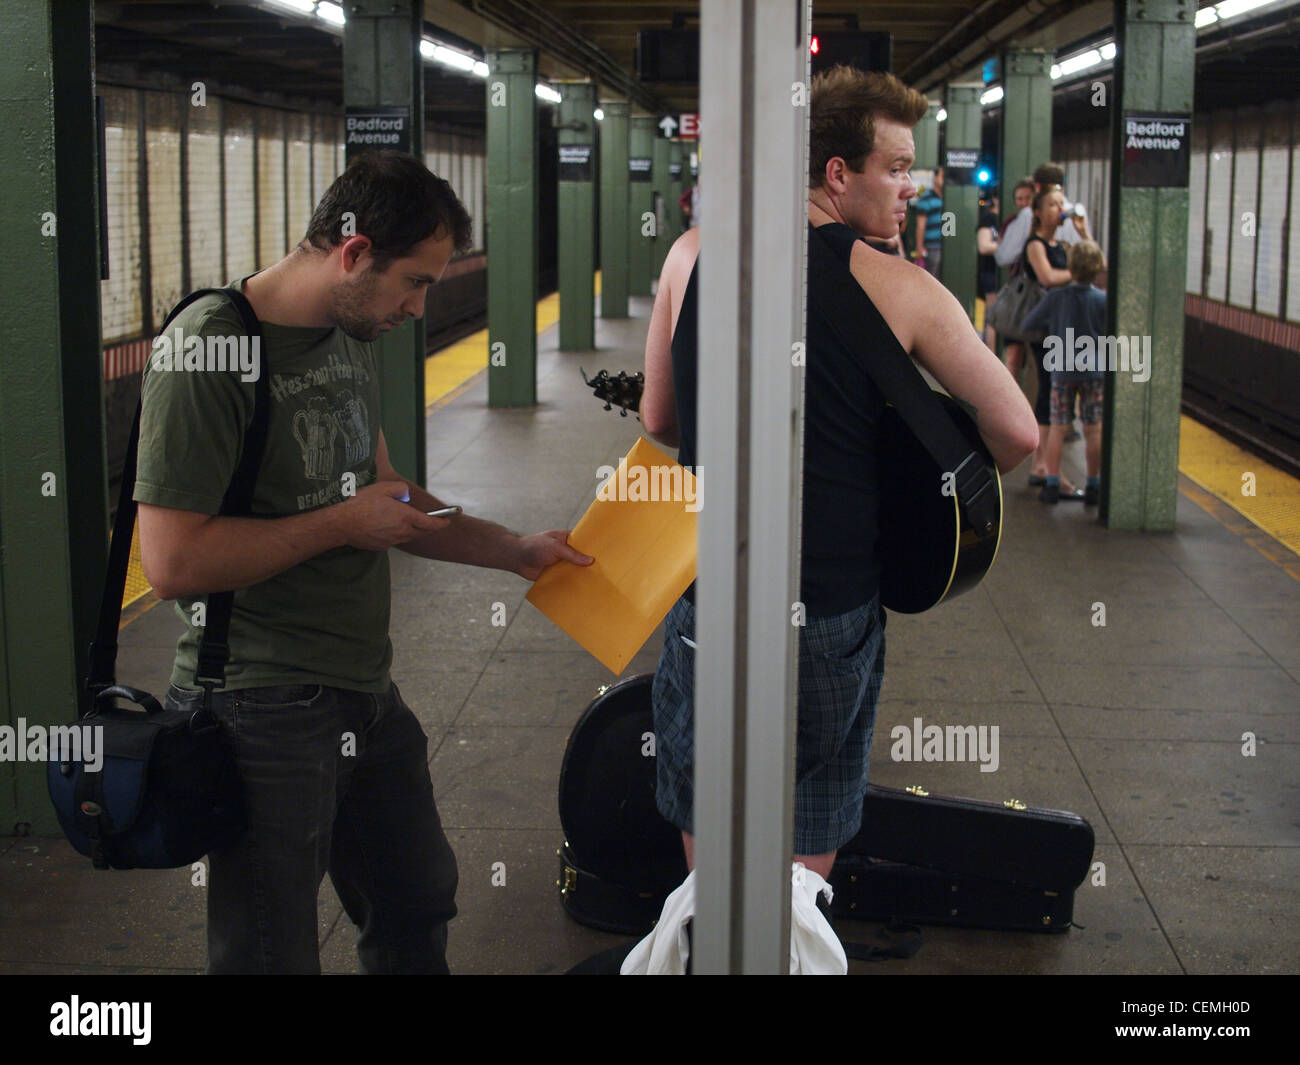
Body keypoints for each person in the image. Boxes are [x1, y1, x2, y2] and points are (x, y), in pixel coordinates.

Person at [135, 149, 593, 974]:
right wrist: (340, 522)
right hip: (257, 702)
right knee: (269, 948)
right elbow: (170, 560)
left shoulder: (348, 333)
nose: (420, 308)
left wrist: (513, 550)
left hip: (363, 688)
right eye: (415, 283)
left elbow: (388, 493)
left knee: (416, 895)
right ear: (352, 254)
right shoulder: (209, 349)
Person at [640, 66, 1037, 889]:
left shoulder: (690, 256)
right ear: (836, 174)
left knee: (709, 799)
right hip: (827, 605)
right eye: (895, 167)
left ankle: (713, 937)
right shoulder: (906, 289)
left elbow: (660, 421)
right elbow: (1017, 433)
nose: (910, 187)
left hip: (708, 592)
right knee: (811, 802)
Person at [1020, 240, 1108, 505]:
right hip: (1093, 372)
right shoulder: (1103, 300)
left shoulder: (1056, 297)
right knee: (1093, 429)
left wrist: (1055, 329)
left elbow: (1028, 324)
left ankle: (1052, 483)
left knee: (1058, 428)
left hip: (1061, 371)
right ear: (1097, 269)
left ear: (1071, 266)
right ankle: (1093, 485)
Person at [1019, 185, 1086, 499]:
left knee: (1051, 392)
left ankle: (1041, 466)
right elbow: (1047, 277)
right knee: (1049, 391)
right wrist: (1078, 271)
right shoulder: (1035, 244)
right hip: (1045, 329)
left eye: (1062, 203)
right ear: (1038, 212)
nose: (1060, 208)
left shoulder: (1063, 243)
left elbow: (1095, 262)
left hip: (1063, 329)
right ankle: (1043, 467)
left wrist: (1083, 232)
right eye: (1053, 204)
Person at [999, 177, 1037, 382]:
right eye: (1019, 199)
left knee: (1035, 358)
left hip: (1040, 297)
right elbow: (1003, 254)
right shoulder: (1012, 224)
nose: (1023, 203)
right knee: (1013, 353)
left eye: (1027, 198)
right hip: (1018, 295)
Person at [977, 194, 1001, 350]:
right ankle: (991, 354)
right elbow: (983, 246)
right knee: (994, 316)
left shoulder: (1011, 220)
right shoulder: (988, 219)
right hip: (991, 272)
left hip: (1003, 272)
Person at [912, 166, 944, 276]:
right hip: (931, 247)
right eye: (942, 176)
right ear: (935, 177)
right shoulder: (926, 197)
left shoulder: (949, 198)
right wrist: (920, 247)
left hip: (944, 245)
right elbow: (921, 225)